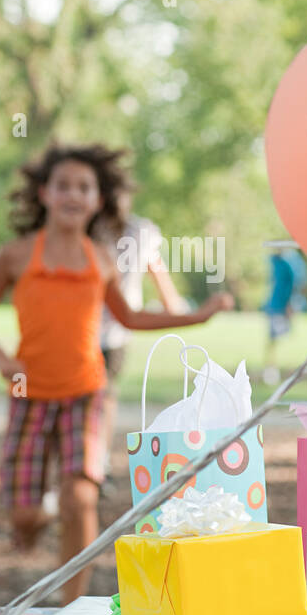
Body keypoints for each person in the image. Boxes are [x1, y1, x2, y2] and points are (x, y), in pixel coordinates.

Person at [0, 142, 233, 604]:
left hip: (86, 392)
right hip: (29, 392)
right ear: (45, 194)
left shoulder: (102, 260)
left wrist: (198, 316)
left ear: (98, 200)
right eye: (64, 186)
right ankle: (37, 518)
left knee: (82, 498)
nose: (73, 195)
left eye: (84, 188)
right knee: (23, 515)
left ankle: (70, 604)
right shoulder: (14, 255)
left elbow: (131, 319)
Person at [94, 192, 186, 481]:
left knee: (105, 395)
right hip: (81, 327)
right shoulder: (89, 226)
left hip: (115, 330)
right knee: (88, 396)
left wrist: (174, 308)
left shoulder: (140, 232)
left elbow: (156, 270)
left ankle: (100, 460)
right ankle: (90, 461)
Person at [261, 244, 307, 385]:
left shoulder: (292, 261)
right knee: (273, 339)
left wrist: (291, 304)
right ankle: (272, 370)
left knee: (281, 337)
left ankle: (284, 370)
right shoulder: (276, 260)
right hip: (275, 304)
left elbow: (298, 283)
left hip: (284, 305)